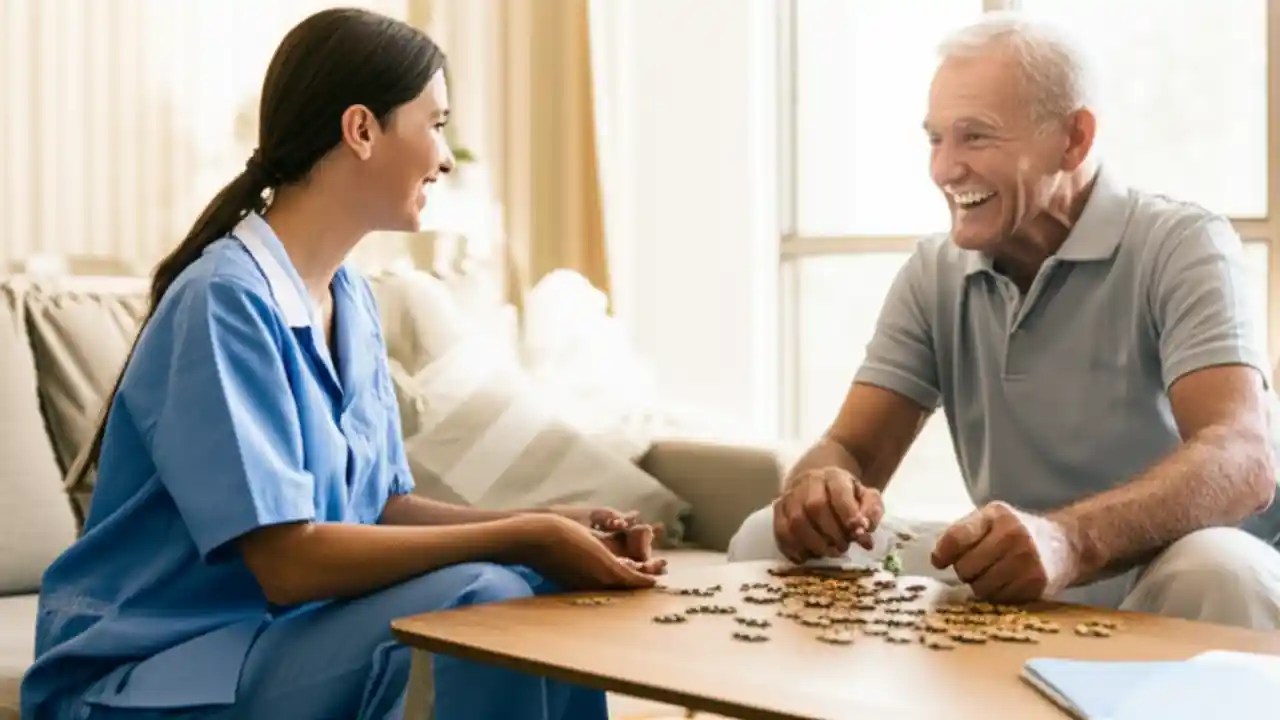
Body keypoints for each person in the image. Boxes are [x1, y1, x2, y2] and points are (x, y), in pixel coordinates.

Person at [20, 9, 665, 720]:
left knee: (541, 588)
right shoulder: (223, 302)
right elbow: (289, 562)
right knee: (487, 598)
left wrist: (550, 523)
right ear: (361, 130)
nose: (446, 157)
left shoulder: (351, 300)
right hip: (163, 666)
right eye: (436, 123)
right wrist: (528, 536)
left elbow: (382, 509)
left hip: (272, 642)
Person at [728, 12, 1280, 629]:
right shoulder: (934, 270)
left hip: (1179, 575)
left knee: (1216, 568)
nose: (944, 169)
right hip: (1020, 575)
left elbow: (1242, 460)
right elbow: (853, 447)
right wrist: (819, 487)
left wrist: (1069, 542)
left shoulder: (1182, 243)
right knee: (766, 538)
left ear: (1073, 139)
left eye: (976, 137)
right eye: (935, 139)